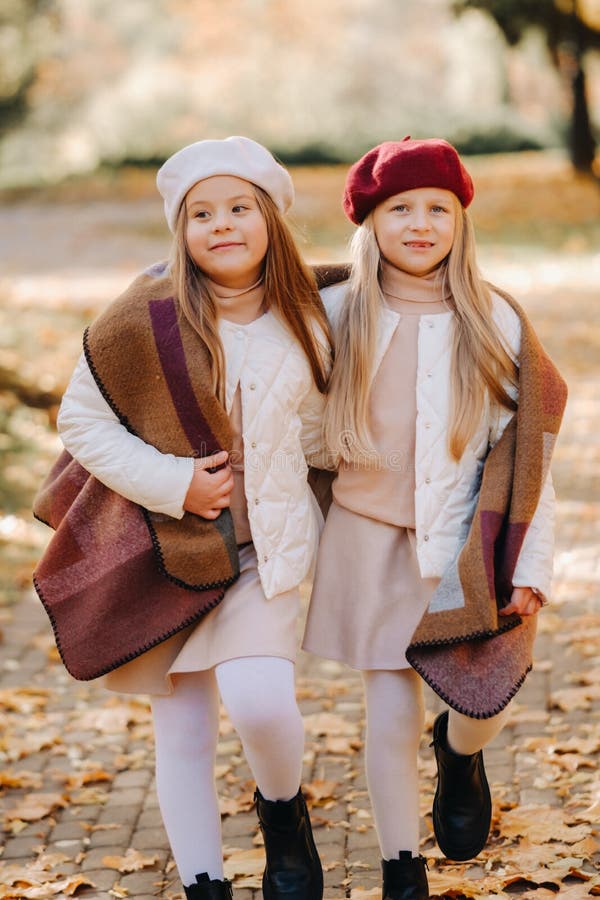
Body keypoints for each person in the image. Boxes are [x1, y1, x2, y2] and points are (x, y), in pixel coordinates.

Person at [55, 136, 331, 900]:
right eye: (201, 213)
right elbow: (81, 421)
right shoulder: (142, 316)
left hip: (259, 549)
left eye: (240, 207)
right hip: (166, 547)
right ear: (180, 230)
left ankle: (283, 812)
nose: (222, 224)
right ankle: (203, 884)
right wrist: (175, 484)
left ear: (270, 218)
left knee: (262, 704)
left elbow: (326, 430)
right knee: (182, 732)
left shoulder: (312, 316)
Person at [303, 138, 566, 900]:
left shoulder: (494, 320)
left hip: (466, 541)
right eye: (400, 209)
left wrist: (532, 561)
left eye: (437, 210)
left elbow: (529, 452)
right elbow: (289, 422)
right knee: (389, 710)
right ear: (370, 222)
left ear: (460, 221)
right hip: (368, 539)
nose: (420, 224)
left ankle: (458, 752)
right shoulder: (332, 315)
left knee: (484, 700)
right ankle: (401, 867)